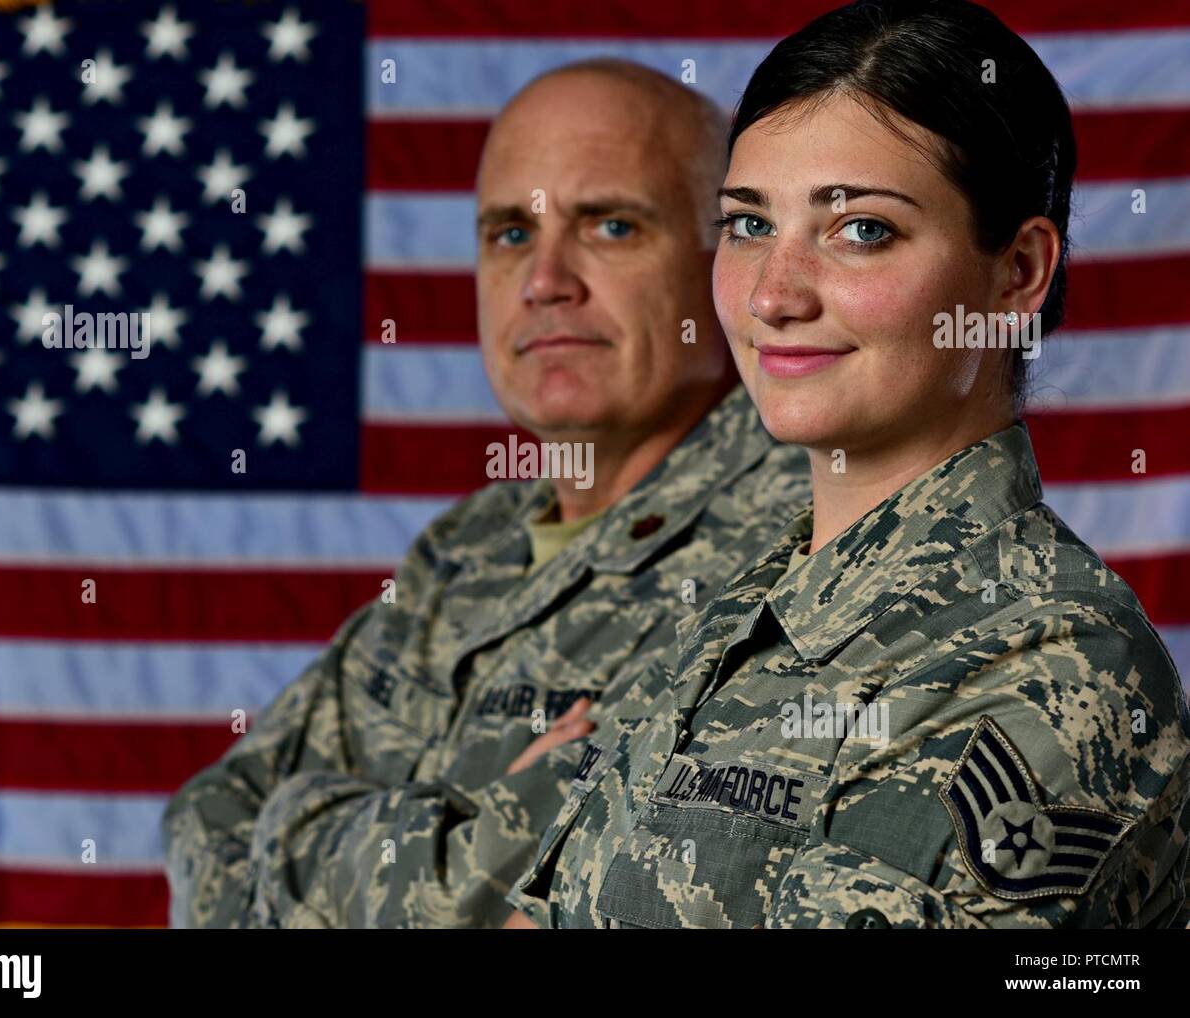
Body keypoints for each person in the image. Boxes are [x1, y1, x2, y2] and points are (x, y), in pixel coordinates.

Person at [507, 0, 1190, 929]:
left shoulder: (1052, 662)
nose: (774, 295)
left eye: (861, 229)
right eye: (749, 226)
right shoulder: (731, 620)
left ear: (1018, 273)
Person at [162, 59, 811, 928]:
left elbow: (595, 889)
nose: (545, 281)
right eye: (509, 234)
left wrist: (303, 833)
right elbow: (207, 822)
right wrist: (461, 838)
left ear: (727, 257)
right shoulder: (463, 550)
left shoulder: (805, 540)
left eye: (611, 225)